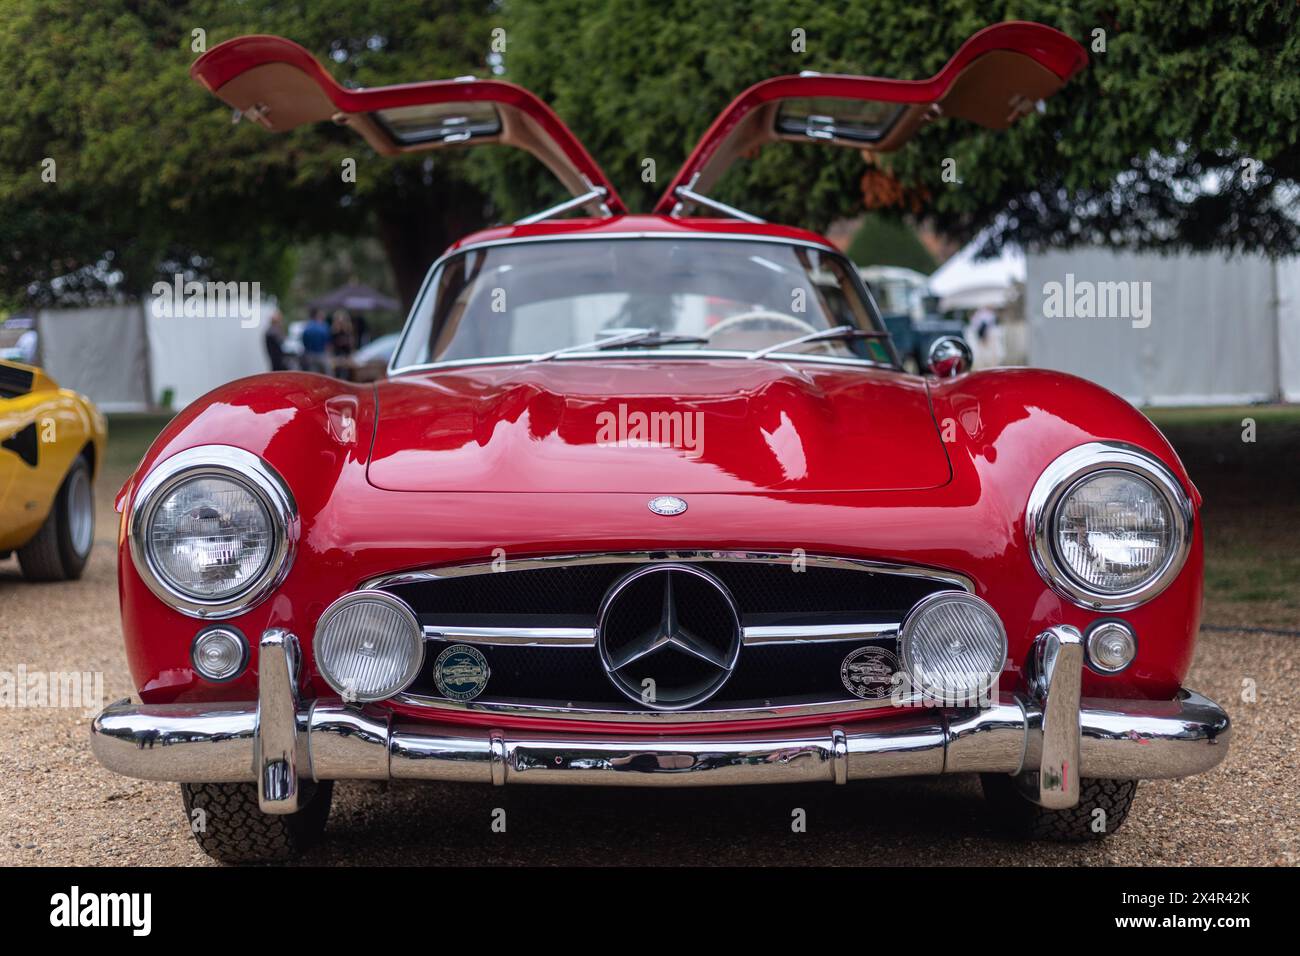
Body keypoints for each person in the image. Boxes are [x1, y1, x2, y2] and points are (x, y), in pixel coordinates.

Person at [301, 310, 331, 375]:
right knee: (326, 375)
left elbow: (304, 339)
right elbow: (327, 342)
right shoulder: (324, 326)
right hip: (321, 354)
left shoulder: (308, 326)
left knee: (313, 375)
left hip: (310, 354)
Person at [329, 310, 356, 379]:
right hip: (337, 356)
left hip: (346, 356)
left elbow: (351, 345)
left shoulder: (348, 331)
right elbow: (331, 346)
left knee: (347, 374)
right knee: (337, 373)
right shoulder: (333, 332)